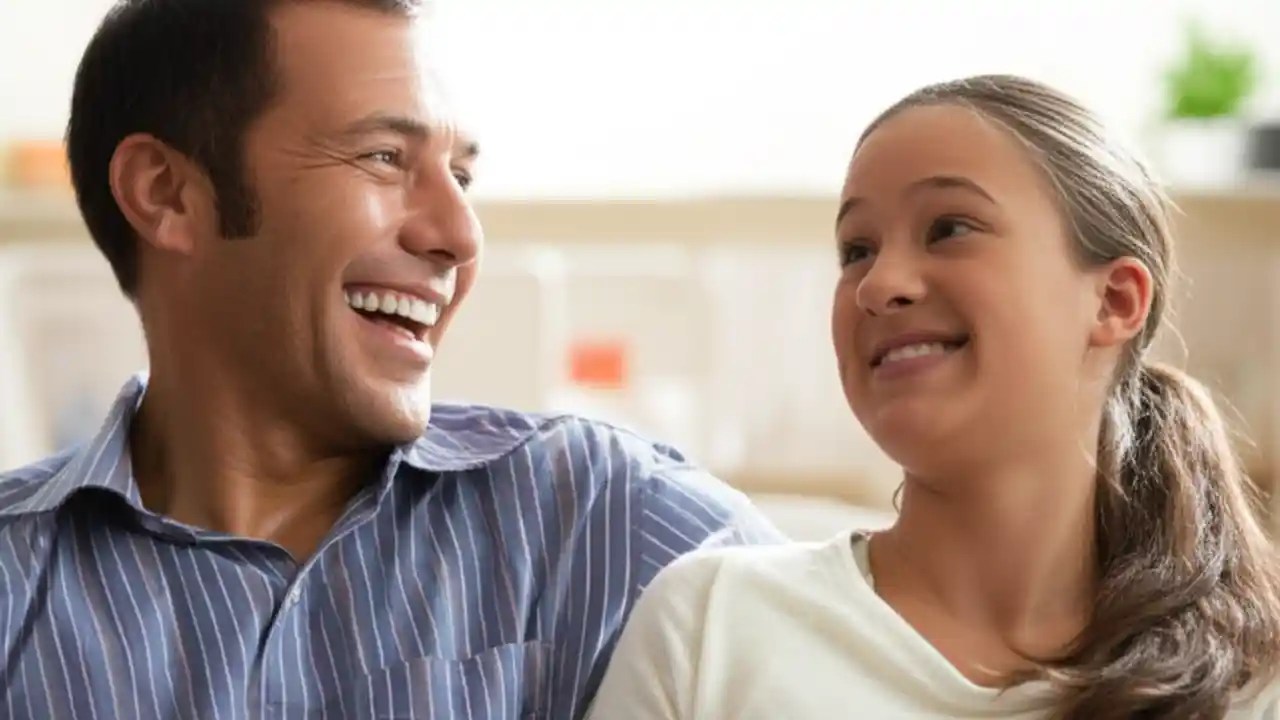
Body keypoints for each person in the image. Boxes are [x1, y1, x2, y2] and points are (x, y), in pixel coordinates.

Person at [0, 1, 781, 718]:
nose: (460, 235)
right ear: (167, 194)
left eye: (462, 175)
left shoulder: (614, 523)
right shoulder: (14, 585)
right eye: (381, 157)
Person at [588, 74, 1280, 719]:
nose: (878, 283)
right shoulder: (709, 622)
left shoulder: (1255, 681)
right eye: (856, 249)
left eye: (949, 229)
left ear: (1114, 300)